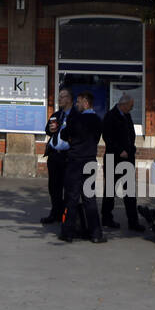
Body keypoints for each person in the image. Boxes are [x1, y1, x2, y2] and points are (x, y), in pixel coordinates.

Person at [59, 92, 105, 243]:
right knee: (89, 199)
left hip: (75, 161)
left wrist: (73, 138)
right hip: (90, 160)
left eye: (78, 102)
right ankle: (96, 234)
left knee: (72, 197)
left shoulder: (76, 119)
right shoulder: (98, 120)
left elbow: (65, 134)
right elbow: (96, 138)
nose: (76, 105)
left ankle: (67, 233)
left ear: (86, 103)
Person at [101, 92, 145, 231]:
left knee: (130, 191)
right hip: (113, 158)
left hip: (128, 159)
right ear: (123, 104)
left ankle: (133, 221)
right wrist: (120, 150)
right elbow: (107, 136)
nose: (131, 109)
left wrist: (131, 149)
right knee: (110, 190)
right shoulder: (110, 116)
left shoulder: (127, 116)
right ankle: (106, 218)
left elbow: (131, 135)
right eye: (130, 106)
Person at [40, 89, 74, 224]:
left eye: (63, 96)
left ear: (70, 99)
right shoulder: (57, 114)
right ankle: (55, 213)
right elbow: (47, 130)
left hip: (68, 156)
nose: (59, 99)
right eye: (59, 96)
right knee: (54, 187)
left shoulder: (75, 115)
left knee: (68, 187)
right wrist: (50, 129)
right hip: (54, 155)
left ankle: (65, 214)